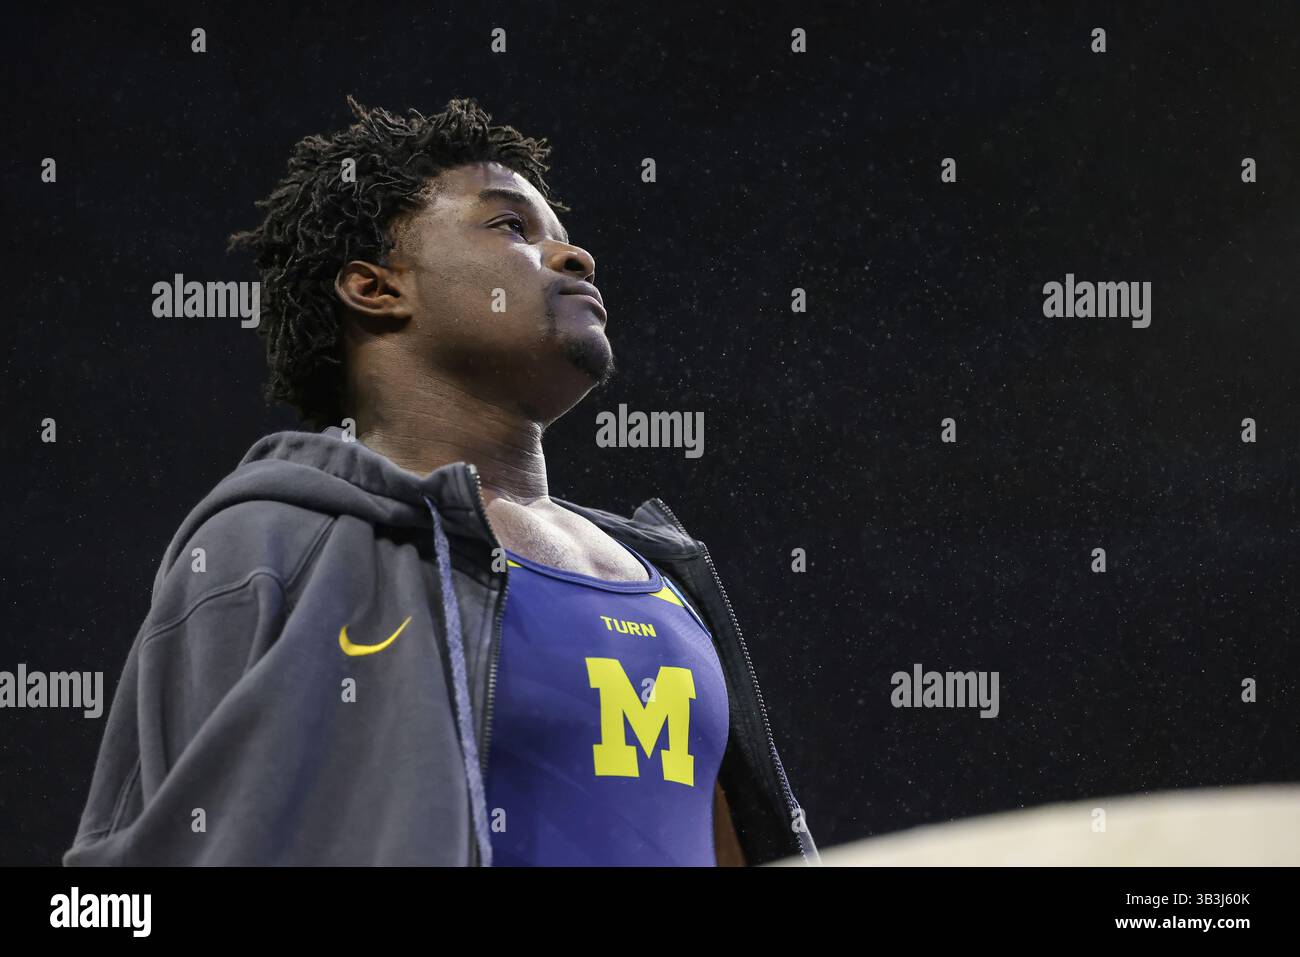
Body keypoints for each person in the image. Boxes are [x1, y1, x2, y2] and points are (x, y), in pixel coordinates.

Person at [63, 96, 820, 867]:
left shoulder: (673, 578)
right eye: (511, 227)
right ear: (376, 288)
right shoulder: (267, 542)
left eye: (561, 236)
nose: (574, 256)